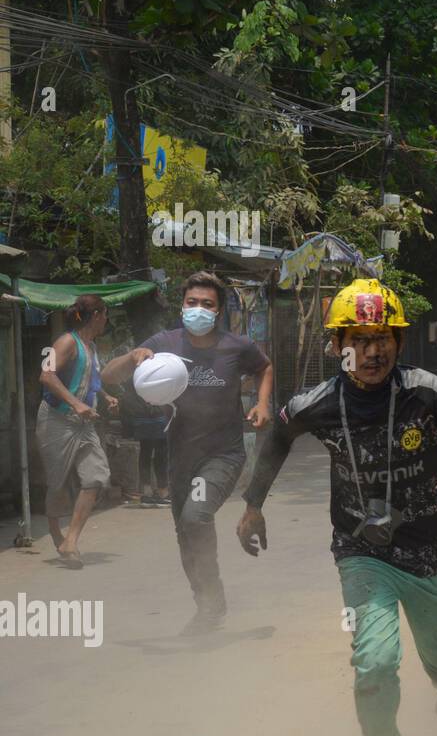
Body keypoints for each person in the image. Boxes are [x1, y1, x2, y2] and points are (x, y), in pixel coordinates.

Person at [235, 278, 437, 736]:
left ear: (399, 342)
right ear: (337, 346)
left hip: (428, 550)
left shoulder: (425, 390)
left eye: (383, 337)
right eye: (358, 339)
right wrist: (252, 506)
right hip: (360, 550)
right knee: (375, 659)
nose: (372, 350)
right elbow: (275, 440)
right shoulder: (316, 402)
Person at [103, 271, 274, 635]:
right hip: (180, 456)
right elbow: (107, 376)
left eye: (207, 304)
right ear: (182, 305)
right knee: (185, 532)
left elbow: (264, 367)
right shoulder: (164, 342)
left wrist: (262, 403)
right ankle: (207, 604)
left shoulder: (235, 346)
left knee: (196, 517)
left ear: (219, 310)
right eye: (192, 302)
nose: (198, 309)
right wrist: (133, 357)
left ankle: (214, 602)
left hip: (223, 454)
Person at [37, 294, 116, 568]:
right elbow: (46, 375)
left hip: (83, 423)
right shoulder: (67, 341)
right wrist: (76, 403)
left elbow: (88, 377)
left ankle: (71, 539)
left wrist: (105, 396)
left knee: (96, 476)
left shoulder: (90, 345)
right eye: (105, 314)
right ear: (96, 315)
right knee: (57, 483)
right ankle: (56, 532)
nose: (107, 320)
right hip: (57, 420)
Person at [118, 381, 170, 507]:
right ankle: (162, 492)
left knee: (145, 454)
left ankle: (147, 493)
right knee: (160, 455)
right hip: (158, 417)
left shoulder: (135, 372)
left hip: (141, 418)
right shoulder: (156, 370)